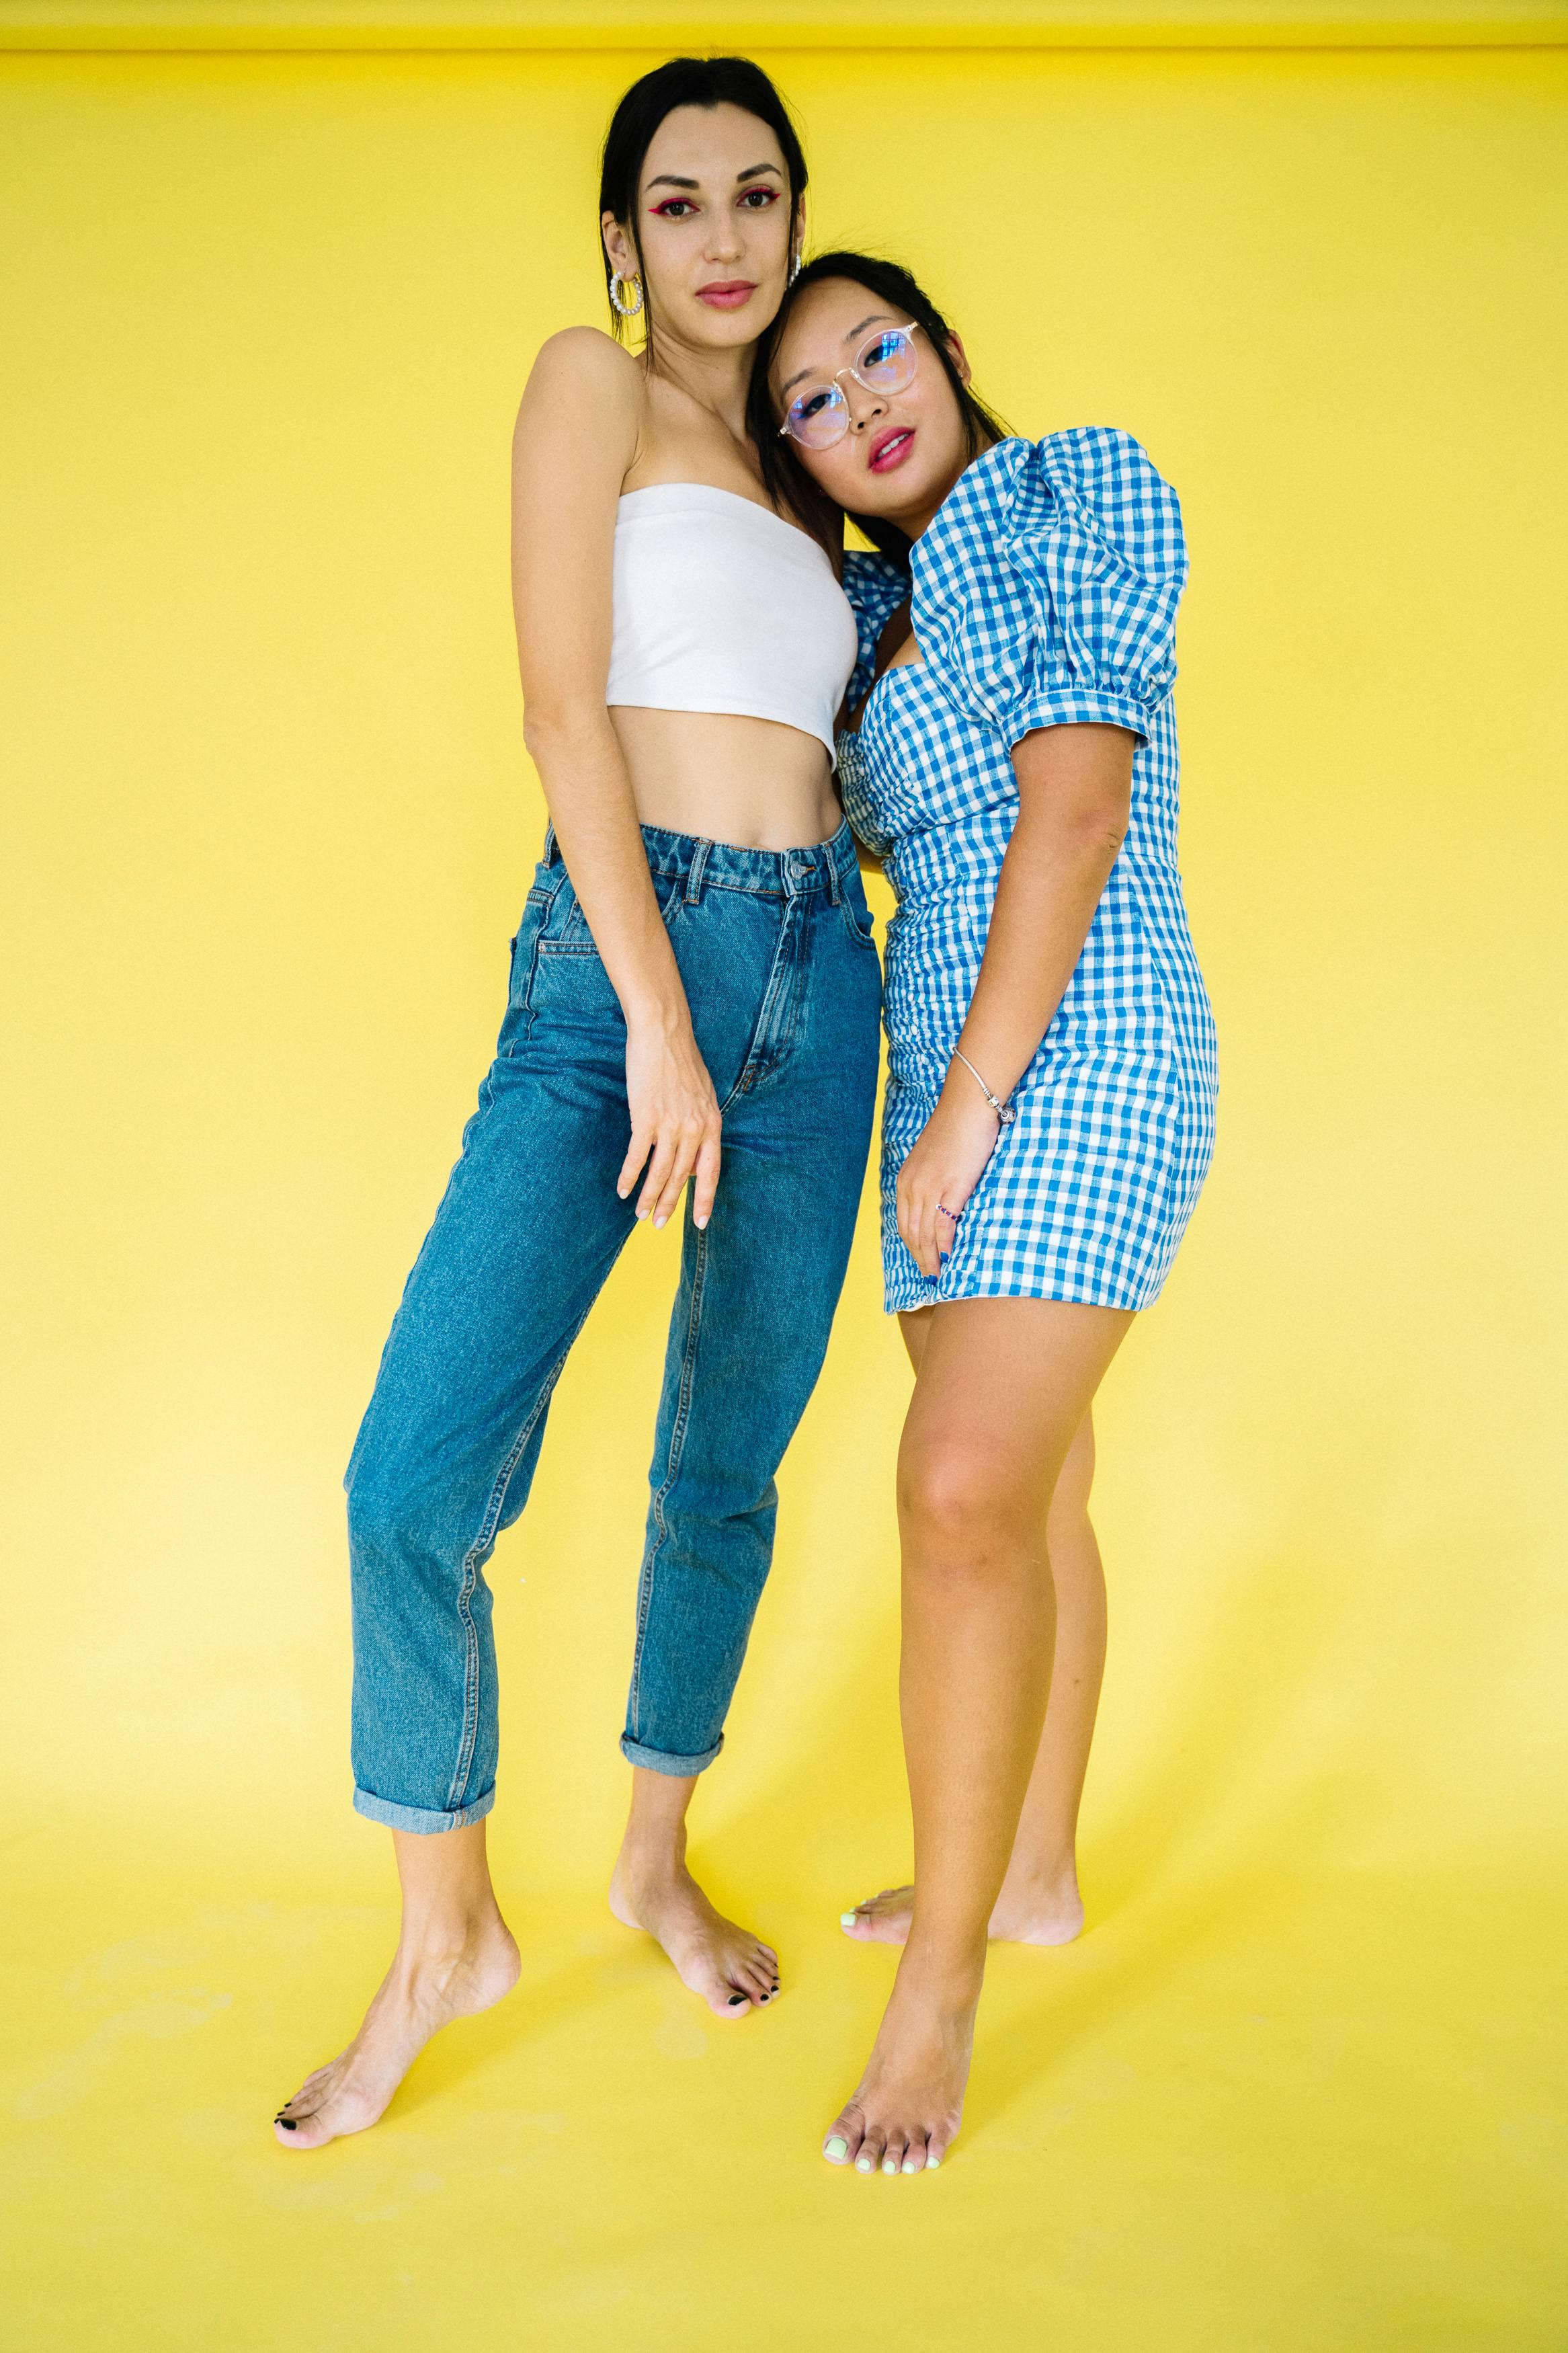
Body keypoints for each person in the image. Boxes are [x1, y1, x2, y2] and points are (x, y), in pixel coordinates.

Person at [273, 65, 881, 2151]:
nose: (726, 238)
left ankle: (649, 1858)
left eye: (759, 197)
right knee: (415, 1469)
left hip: (825, 968)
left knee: (727, 1463)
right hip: (629, 967)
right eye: (679, 202)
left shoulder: (808, 475)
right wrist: (652, 1019)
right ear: (621, 240)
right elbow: (560, 709)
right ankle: (442, 1932)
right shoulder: (590, 387)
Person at [758, 253, 1217, 2173]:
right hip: (939, 1075)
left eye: (879, 350)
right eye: (809, 398)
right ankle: (1029, 1874)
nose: (861, 400)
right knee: (1032, 1497)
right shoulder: (864, 618)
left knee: (956, 1495)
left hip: (1085, 1043)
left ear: (945, 350)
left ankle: (937, 1996)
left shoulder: (1068, 493)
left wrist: (962, 1120)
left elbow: (1077, 811)